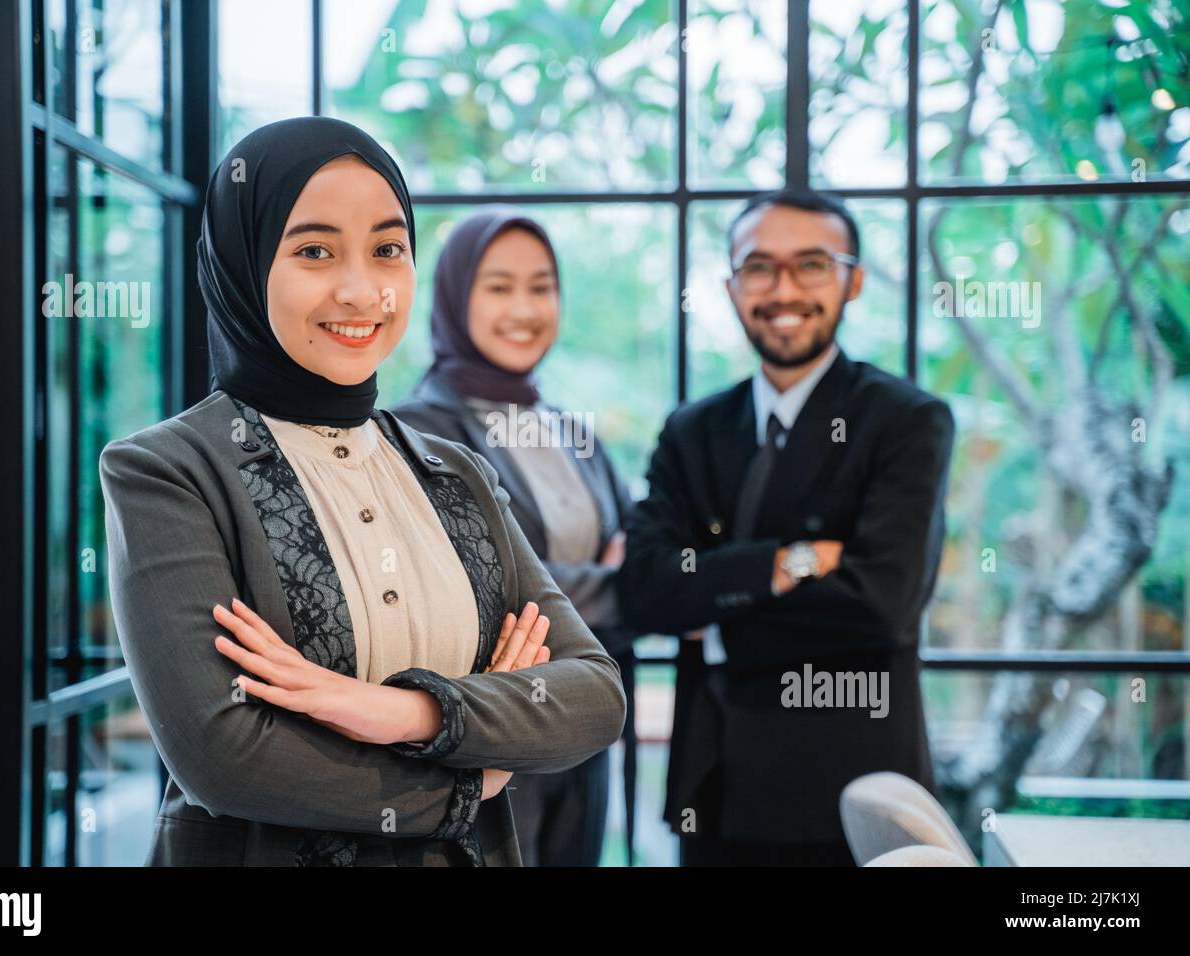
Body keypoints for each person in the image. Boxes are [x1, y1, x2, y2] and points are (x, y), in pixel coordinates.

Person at [98, 117, 626, 867]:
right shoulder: (168, 470)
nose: (361, 289)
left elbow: (594, 695)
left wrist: (405, 711)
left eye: (388, 249)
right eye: (314, 251)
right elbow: (224, 759)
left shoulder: (454, 469)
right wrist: (476, 777)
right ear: (242, 264)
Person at [617, 187, 955, 866]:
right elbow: (646, 592)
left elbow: (880, 604)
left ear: (852, 280)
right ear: (732, 285)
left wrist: (711, 609)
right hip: (712, 789)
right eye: (759, 267)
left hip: (847, 792)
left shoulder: (904, 420)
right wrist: (795, 562)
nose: (783, 289)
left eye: (812, 265)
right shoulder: (693, 429)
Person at [392, 206, 640, 867]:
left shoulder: (568, 427)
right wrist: (619, 585)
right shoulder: (419, 430)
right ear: (453, 297)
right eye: (499, 287)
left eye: (542, 286)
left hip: (580, 735)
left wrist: (592, 577)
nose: (524, 308)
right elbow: (492, 595)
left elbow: (632, 535)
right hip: (488, 735)